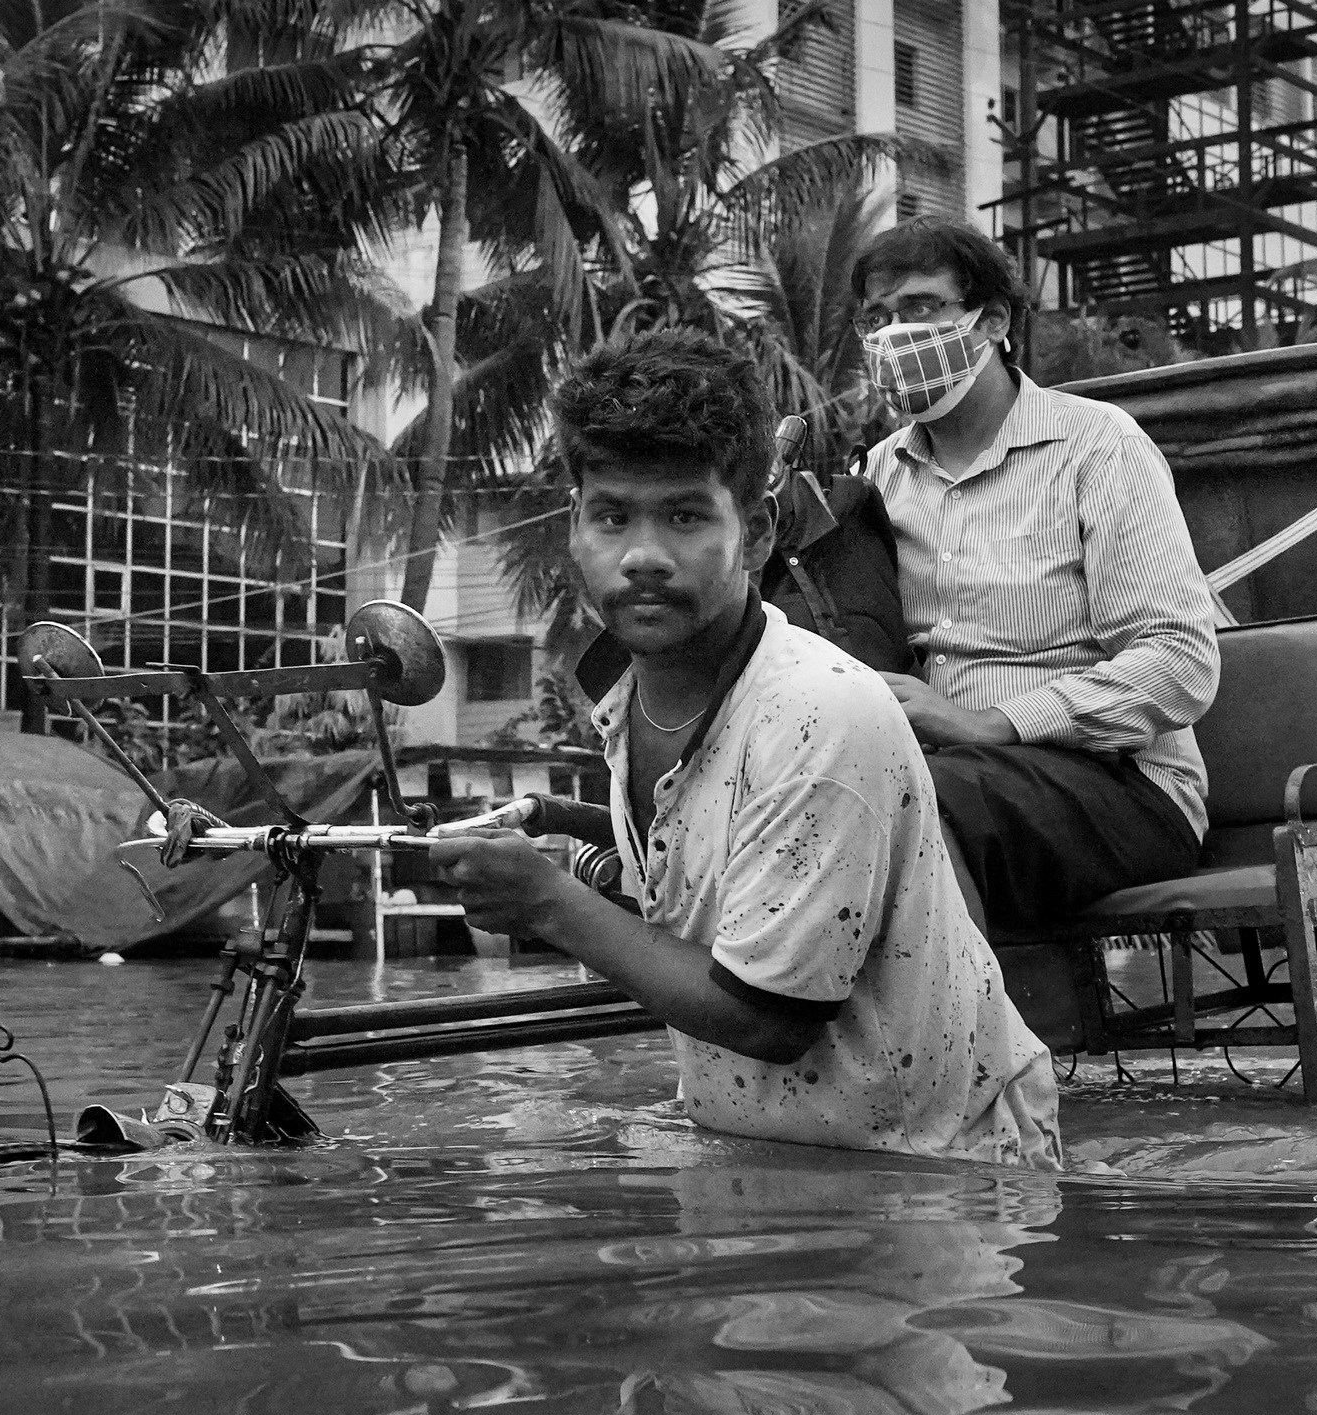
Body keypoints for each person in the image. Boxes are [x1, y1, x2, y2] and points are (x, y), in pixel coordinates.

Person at [431, 330, 1057, 1168]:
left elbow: (770, 1019)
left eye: (686, 515)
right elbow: (699, 873)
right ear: (574, 526)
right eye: (612, 516)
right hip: (768, 1158)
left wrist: (545, 900)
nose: (644, 556)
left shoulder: (818, 712)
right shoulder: (624, 695)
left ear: (756, 533)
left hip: (938, 1174)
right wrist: (571, 850)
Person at [852, 218, 1217, 935]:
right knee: (836, 797)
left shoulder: (1097, 445)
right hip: (943, 778)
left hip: (1122, 786)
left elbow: (1179, 661)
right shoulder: (873, 479)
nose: (894, 335)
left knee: (914, 802)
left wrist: (992, 722)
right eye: (876, 318)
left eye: (921, 308)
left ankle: (970, 1042)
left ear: (992, 321)